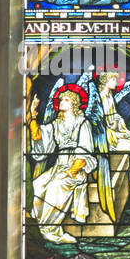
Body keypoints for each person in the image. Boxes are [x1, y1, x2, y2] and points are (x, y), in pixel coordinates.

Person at [28, 84, 97, 243]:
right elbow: (39, 137)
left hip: (76, 168)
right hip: (59, 166)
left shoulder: (82, 123)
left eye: (66, 99)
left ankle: (50, 229)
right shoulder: (56, 124)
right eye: (60, 99)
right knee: (37, 186)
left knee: (55, 186)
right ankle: (38, 226)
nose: (61, 102)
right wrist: (32, 115)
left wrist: (69, 172)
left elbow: (85, 151)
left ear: (74, 103)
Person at [96, 70, 130, 201]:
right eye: (113, 80)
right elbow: (96, 126)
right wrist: (114, 133)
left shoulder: (109, 97)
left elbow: (115, 116)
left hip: (117, 133)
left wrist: (119, 127)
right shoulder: (99, 99)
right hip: (108, 140)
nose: (116, 82)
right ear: (105, 81)